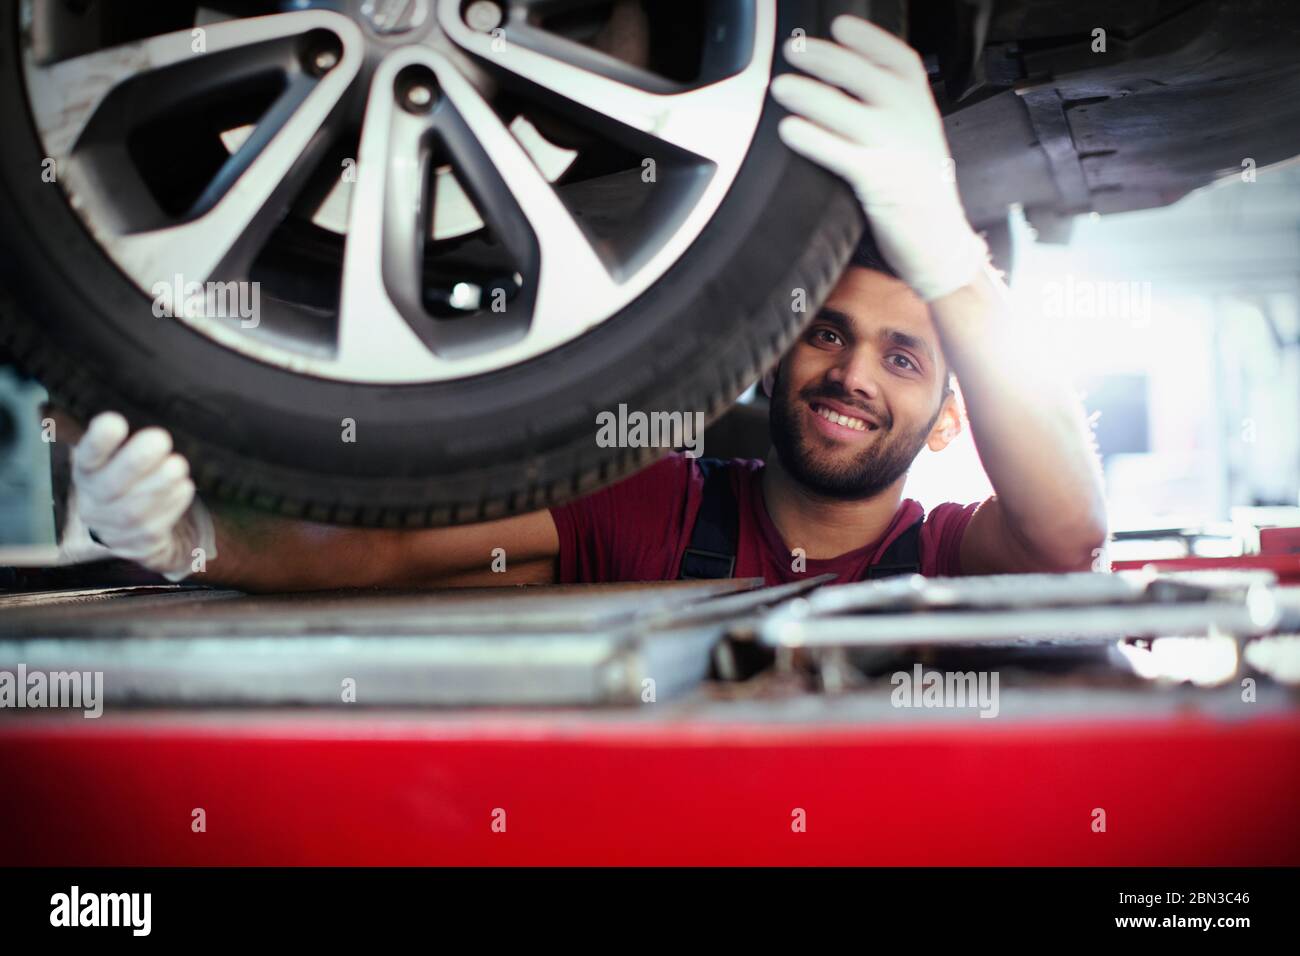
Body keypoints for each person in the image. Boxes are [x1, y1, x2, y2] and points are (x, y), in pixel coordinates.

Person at [59, 16, 1107, 593]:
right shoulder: (654, 504)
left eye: (905, 358)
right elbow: (382, 550)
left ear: (950, 419)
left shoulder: (944, 555)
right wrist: (188, 538)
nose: (852, 373)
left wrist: (952, 261)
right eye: (826, 332)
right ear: (773, 348)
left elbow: (1067, 538)